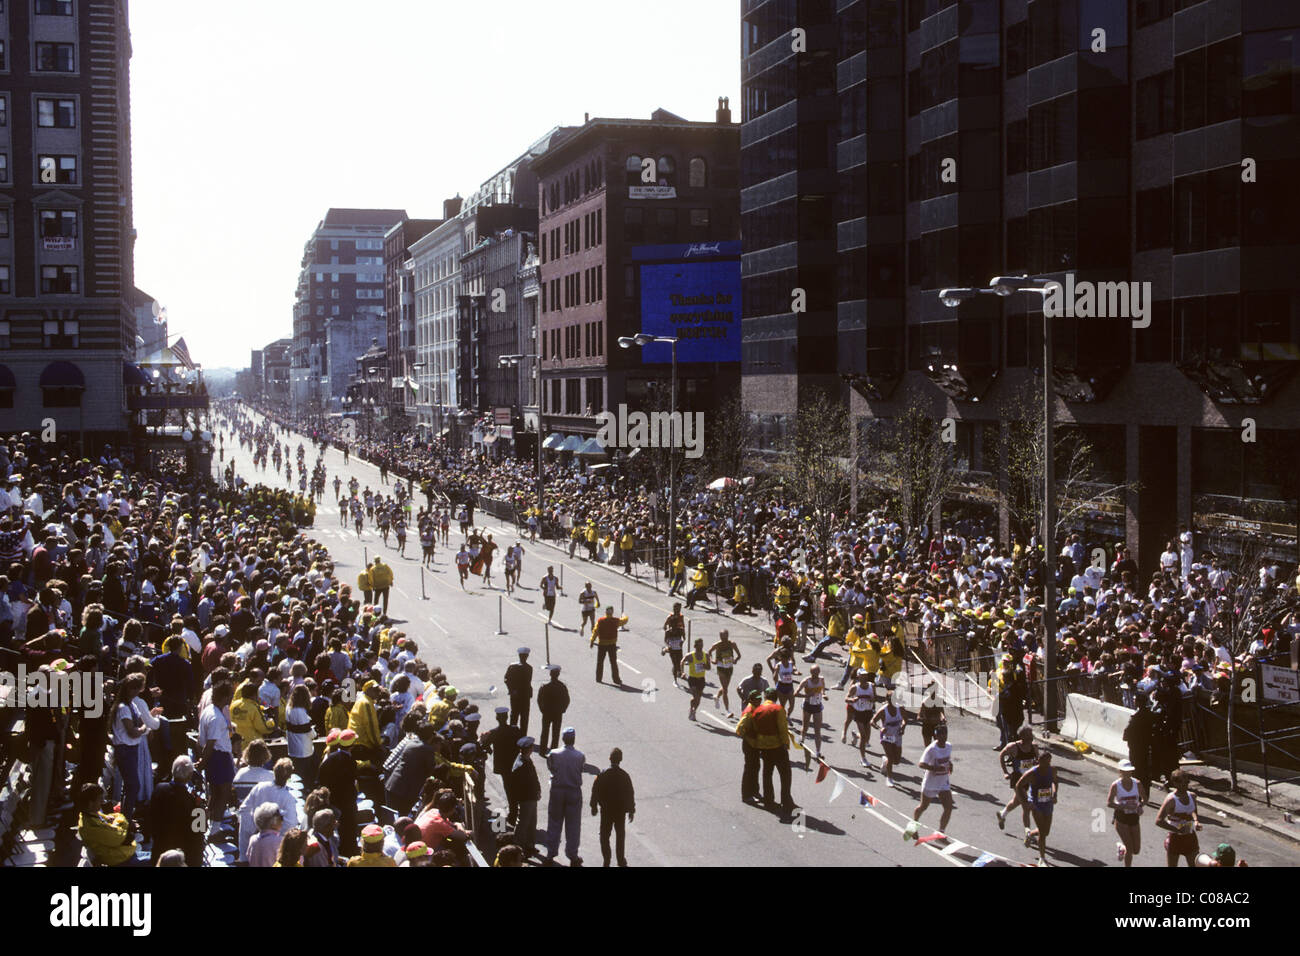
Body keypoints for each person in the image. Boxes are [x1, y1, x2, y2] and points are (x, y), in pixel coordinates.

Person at [740, 688, 796, 816]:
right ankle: (786, 801)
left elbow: (754, 728)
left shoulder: (757, 710)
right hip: (777, 746)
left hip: (764, 748)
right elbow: (782, 729)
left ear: (765, 697)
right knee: (785, 775)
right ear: (776, 697)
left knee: (767, 774)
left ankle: (768, 800)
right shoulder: (778, 709)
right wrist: (786, 744)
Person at [77, 783, 145, 867]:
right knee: (160, 860)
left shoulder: (93, 815)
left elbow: (120, 816)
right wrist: (118, 825)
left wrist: (117, 825)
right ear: (91, 803)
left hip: (126, 853)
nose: (102, 802)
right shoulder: (91, 826)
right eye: (99, 799)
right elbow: (121, 837)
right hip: (121, 860)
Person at [544, 727, 585, 867]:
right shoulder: (579, 755)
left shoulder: (554, 754)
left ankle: (551, 853)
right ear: (573, 739)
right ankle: (572, 855)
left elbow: (551, 768)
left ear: (563, 739)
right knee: (573, 825)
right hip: (573, 791)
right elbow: (580, 769)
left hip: (557, 790)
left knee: (554, 821)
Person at [590, 747, 635, 867]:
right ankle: (620, 860)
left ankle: (607, 859)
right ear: (621, 760)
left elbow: (595, 790)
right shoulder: (624, 775)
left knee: (604, 836)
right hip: (620, 812)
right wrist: (631, 810)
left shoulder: (603, 774)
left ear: (610, 759)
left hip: (606, 811)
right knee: (620, 836)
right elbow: (630, 793)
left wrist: (593, 806)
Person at [909, 723, 954, 837]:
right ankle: (913, 827)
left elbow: (947, 759)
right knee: (923, 806)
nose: (944, 737)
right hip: (931, 782)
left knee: (948, 807)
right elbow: (921, 764)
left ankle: (940, 833)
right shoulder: (931, 749)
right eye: (941, 735)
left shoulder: (948, 746)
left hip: (943, 781)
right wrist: (934, 768)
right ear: (936, 736)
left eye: (945, 734)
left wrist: (950, 764)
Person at [1016, 751, 1058, 865]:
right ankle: (1042, 858)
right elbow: (1018, 785)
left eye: (1049, 761)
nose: (1047, 764)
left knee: (1046, 831)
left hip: (1048, 803)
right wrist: (1025, 802)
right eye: (1044, 762)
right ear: (1039, 761)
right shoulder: (1032, 773)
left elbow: (1055, 781)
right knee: (1043, 834)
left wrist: (1055, 794)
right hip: (1036, 804)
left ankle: (1030, 834)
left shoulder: (1052, 770)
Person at [996, 726, 1038, 835]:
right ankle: (1028, 833)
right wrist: (1005, 772)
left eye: (1031, 735)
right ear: (1022, 736)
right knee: (1026, 806)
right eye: (1028, 735)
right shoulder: (1013, 747)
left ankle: (1002, 814)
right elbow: (1001, 755)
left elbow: (1037, 762)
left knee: (1016, 801)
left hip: (1029, 780)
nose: (1031, 738)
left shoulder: (1034, 747)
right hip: (1018, 781)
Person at [1155, 769, 1201, 867]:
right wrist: (1177, 830)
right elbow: (1159, 821)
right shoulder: (1171, 800)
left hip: (1190, 837)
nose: (1185, 785)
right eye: (1182, 782)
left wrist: (1196, 821)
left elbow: (1193, 811)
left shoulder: (1192, 796)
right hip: (1175, 839)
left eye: (1187, 782)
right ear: (1175, 783)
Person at [1107, 758, 1147, 867]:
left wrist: (1140, 806)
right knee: (1130, 848)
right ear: (1120, 772)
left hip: (1134, 816)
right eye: (1125, 771)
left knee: (1136, 850)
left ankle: (1122, 847)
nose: (1127, 773)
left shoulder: (1137, 783)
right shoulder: (1116, 785)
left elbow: (1145, 799)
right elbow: (1109, 803)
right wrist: (1123, 806)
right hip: (1121, 817)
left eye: (1129, 771)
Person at [509, 736, 541, 857]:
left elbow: (533, 777)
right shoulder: (520, 765)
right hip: (526, 798)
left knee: (532, 822)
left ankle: (529, 846)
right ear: (529, 749)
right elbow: (517, 786)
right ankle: (517, 847)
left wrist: (537, 790)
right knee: (523, 823)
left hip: (532, 796)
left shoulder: (526, 760)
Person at [871, 691, 907, 787]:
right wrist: (880, 728)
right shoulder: (883, 710)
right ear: (887, 700)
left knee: (897, 761)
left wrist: (903, 727)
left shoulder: (900, 708)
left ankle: (885, 761)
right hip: (886, 736)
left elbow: (905, 720)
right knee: (891, 758)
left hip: (897, 735)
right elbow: (872, 721)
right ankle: (889, 778)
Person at [794, 665, 827, 764]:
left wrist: (824, 695)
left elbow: (823, 690)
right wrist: (806, 695)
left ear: (819, 672)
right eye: (813, 673)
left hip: (817, 706)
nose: (815, 676)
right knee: (805, 727)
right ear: (811, 672)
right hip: (808, 706)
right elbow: (795, 693)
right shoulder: (806, 681)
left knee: (818, 730)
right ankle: (802, 738)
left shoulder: (822, 680)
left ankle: (818, 752)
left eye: (816, 673)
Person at [536, 664, 570, 755]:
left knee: (544, 732)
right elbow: (566, 700)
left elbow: (539, 699)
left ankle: (542, 750)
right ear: (558, 674)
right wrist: (563, 710)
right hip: (557, 713)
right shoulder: (562, 686)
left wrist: (542, 710)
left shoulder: (544, 686)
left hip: (546, 712)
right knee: (556, 733)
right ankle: (553, 751)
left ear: (550, 674)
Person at [845, 668, 876, 765]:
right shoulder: (855, 687)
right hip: (859, 713)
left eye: (866, 675)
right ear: (858, 677)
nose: (865, 677)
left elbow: (875, 698)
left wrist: (872, 699)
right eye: (862, 676)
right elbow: (846, 698)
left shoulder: (872, 686)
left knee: (867, 738)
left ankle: (855, 736)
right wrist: (852, 700)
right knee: (863, 737)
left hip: (868, 712)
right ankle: (863, 759)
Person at [591, 606, 628, 685]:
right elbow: (625, 621)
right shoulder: (615, 621)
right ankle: (616, 680)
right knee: (613, 663)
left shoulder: (600, 621)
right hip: (612, 644)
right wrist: (625, 615)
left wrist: (592, 641)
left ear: (605, 612)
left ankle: (598, 678)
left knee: (600, 662)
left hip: (602, 644)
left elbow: (595, 631)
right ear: (612, 612)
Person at [709, 630, 741, 716]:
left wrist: (735, 660)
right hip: (721, 667)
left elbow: (739, 655)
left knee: (725, 687)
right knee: (725, 689)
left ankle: (717, 696)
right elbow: (709, 652)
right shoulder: (717, 645)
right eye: (722, 637)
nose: (724, 639)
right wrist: (713, 660)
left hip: (729, 667)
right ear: (720, 637)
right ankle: (727, 710)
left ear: (728, 636)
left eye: (725, 637)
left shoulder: (732, 644)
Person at [505, 647, 533, 736]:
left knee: (514, 715)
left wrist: (511, 690)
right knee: (524, 716)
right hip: (525, 695)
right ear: (527, 656)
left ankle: (512, 734)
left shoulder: (512, 666)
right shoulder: (529, 668)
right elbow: (528, 682)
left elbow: (506, 679)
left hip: (515, 695)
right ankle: (523, 734)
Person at [247, 802, 285, 867]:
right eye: (281, 818)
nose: (282, 821)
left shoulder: (253, 839)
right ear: (273, 821)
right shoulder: (279, 841)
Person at [683, 638, 711, 721]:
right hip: (692, 679)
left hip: (701, 679)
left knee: (697, 699)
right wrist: (682, 672)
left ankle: (692, 709)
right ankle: (693, 711)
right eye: (699, 645)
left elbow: (709, 667)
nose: (701, 647)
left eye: (702, 645)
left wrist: (705, 666)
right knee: (696, 696)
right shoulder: (690, 655)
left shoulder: (706, 655)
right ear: (695, 646)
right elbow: (682, 661)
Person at [662, 603, 686, 684]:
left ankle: (678, 671)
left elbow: (683, 629)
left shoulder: (681, 617)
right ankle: (675, 679)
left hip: (678, 645)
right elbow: (664, 627)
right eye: (676, 608)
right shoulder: (670, 617)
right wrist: (668, 633)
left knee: (679, 661)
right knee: (675, 663)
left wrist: (682, 640)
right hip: (672, 644)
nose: (678, 610)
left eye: (679, 609)